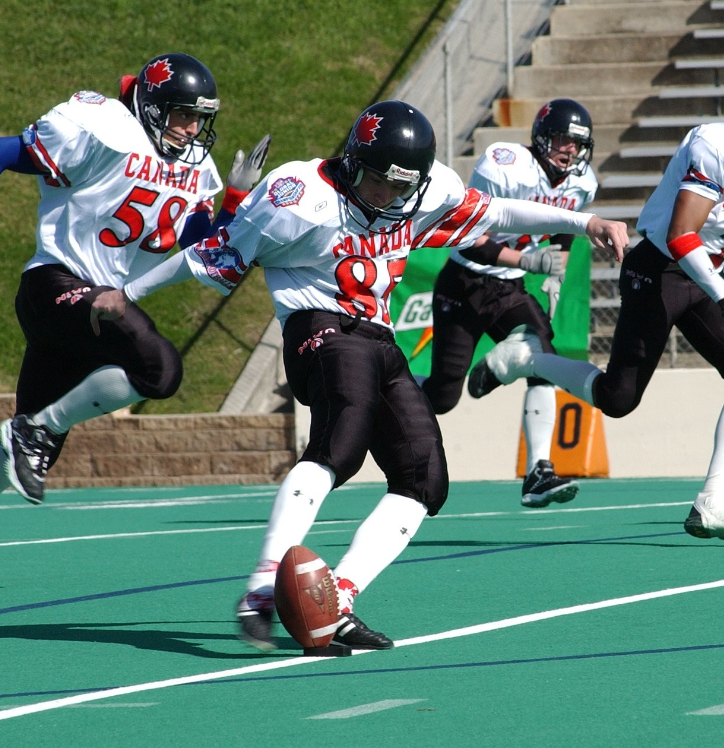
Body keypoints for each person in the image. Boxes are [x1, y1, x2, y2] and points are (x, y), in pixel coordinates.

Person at [91, 100, 628, 653]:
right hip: (317, 325)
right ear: (353, 161)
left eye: (400, 186)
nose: (386, 195)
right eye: (377, 180)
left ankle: (338, 600)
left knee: (425, 478)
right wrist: (128, 292)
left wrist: (585, 223)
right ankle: (260, 589)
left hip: (378, 335)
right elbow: (211, 253)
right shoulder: (298, 196)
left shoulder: (430, 189)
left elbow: (498, 215)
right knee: (340, 444)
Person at [469, 78, 724, 542]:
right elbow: (681, 234)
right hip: (658, 267)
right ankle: (527, 359)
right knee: (618, 399)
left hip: (702, 276)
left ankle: (714, 500)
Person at [0, 53, 270, 504]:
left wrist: (236, 198)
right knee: (159, 370)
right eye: (184, 115)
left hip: (97, 309)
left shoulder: (195, 168)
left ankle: (32, 429)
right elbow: (10, 151)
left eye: (199, 119)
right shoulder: (104, 128)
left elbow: (200, 242)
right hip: (56, 287)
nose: (191, 129)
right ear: (151, 105)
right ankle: (34, 427)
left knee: (19, 461)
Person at [421, 99, 598, 508]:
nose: (569, 149)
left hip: (509, 288)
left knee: (544, 361)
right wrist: (527, 259)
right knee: (443, 397)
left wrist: (556, 273)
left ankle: (539, 471)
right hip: (464, 282)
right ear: (540, 138)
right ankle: (394, 388)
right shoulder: (505, 165)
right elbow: (470, 235)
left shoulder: (580, 183)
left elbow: (564, 227)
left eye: (577, 143)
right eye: (561, 139)